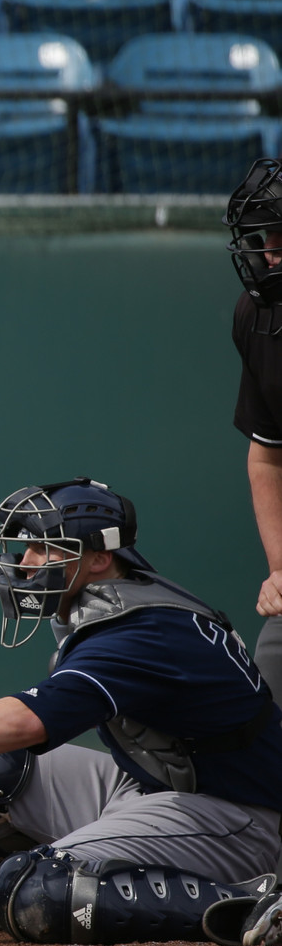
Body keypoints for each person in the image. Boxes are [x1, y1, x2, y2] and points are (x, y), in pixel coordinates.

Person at [0, 478, 282, 946]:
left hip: (242, 820)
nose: (25, 562)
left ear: (99, 559)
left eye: (45, 548)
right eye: (27, 546)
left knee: (43, 887)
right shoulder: (120, 603)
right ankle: (15, 895)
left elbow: (27, 722)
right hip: (163, 788)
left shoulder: (140, 630)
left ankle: (252, 902)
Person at [222, 157, 282, 705]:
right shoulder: (259, 316)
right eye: (266, 237)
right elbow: (267, 457)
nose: (270, 254)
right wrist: (280, 567)